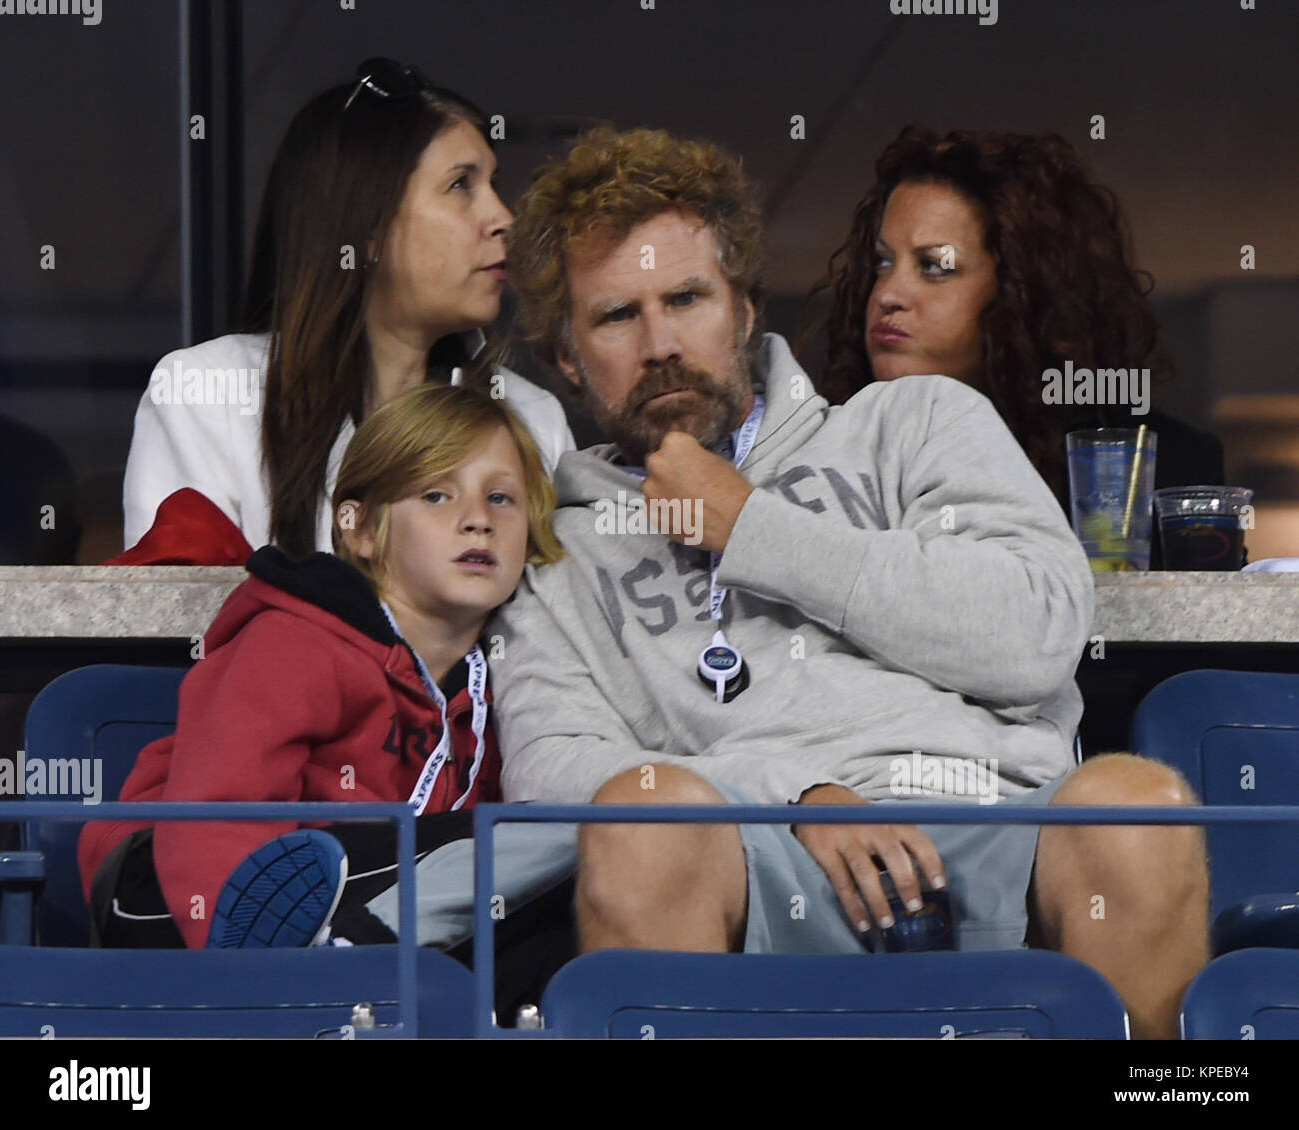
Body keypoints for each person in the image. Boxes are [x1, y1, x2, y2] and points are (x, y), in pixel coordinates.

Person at [492, 126, 1208, 1039]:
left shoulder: (914, 419)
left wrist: (754, 527)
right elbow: (554, 777)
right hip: (750, 858)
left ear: (746, 310)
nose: (662, 342)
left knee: (1138, 807)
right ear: (563, 357)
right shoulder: (559, 550)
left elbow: (1035, 632)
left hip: (993, 828)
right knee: (643, 823)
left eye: (686, 297)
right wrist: (794, 796)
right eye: (616, 316)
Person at [80, 386, 574, 1004]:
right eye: (437, 495)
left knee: (564, 905)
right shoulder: (298, 637)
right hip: (175, 901)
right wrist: (249, 976)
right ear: (361, 528)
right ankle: (325, 973)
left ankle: (358, 963)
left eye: (501, 497)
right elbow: (217, 810)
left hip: (373, 902)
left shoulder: (505, 680)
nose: (479, 517)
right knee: (541, 834)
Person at [122, 58, 573, 561]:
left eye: (492, 183)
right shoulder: (203, 394)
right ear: (367, 227)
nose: (503, 218)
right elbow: (178, 625)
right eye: (461, 185)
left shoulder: (533, 419)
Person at [806, 126, 1225, 569]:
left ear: (1022, 292)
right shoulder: (822, 452)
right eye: (882, 262)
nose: (887, 294)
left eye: (933, 266)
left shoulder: (1142, 463)